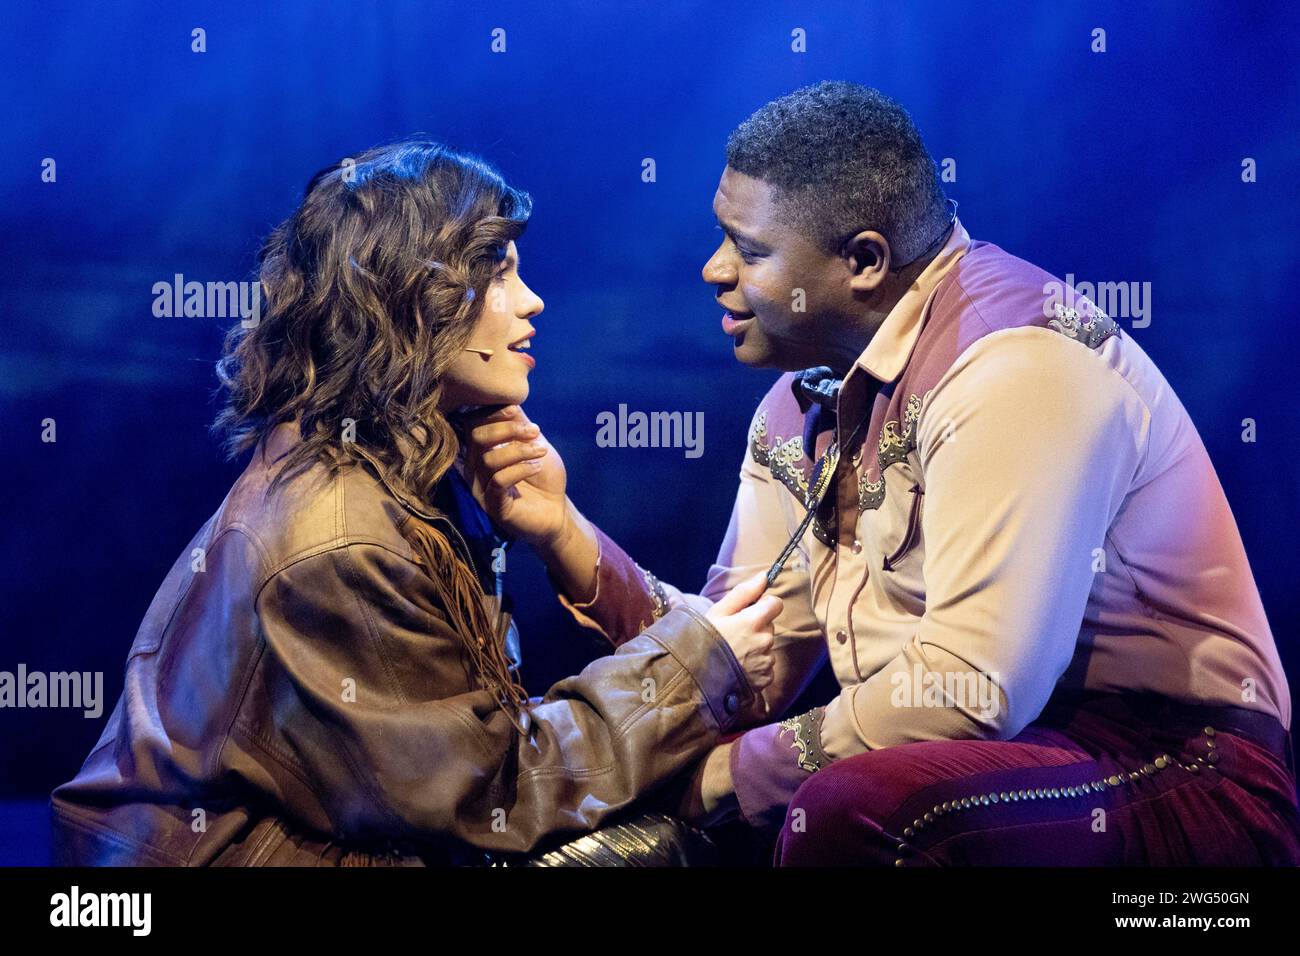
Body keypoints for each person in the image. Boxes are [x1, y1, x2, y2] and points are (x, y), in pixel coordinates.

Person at [470, 82, 1300, 865]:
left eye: (749, 249)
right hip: (996, 763)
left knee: (848, 805)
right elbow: (735, 662)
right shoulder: (801, 403)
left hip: (1179, 770)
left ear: (864, 261)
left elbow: (972, 691)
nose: (714, 270)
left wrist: (721, 780)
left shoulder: (1013, 370)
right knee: (710, 767)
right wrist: (563, 532)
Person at [49, 140, 781, 867]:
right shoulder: (342, 535)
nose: (532, 301)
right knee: (662, 845)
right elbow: (491, 791)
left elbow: (478, 745)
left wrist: (557, 526)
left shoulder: (404, 463)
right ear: (410, 297)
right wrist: (689, 665)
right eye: (498, 274)